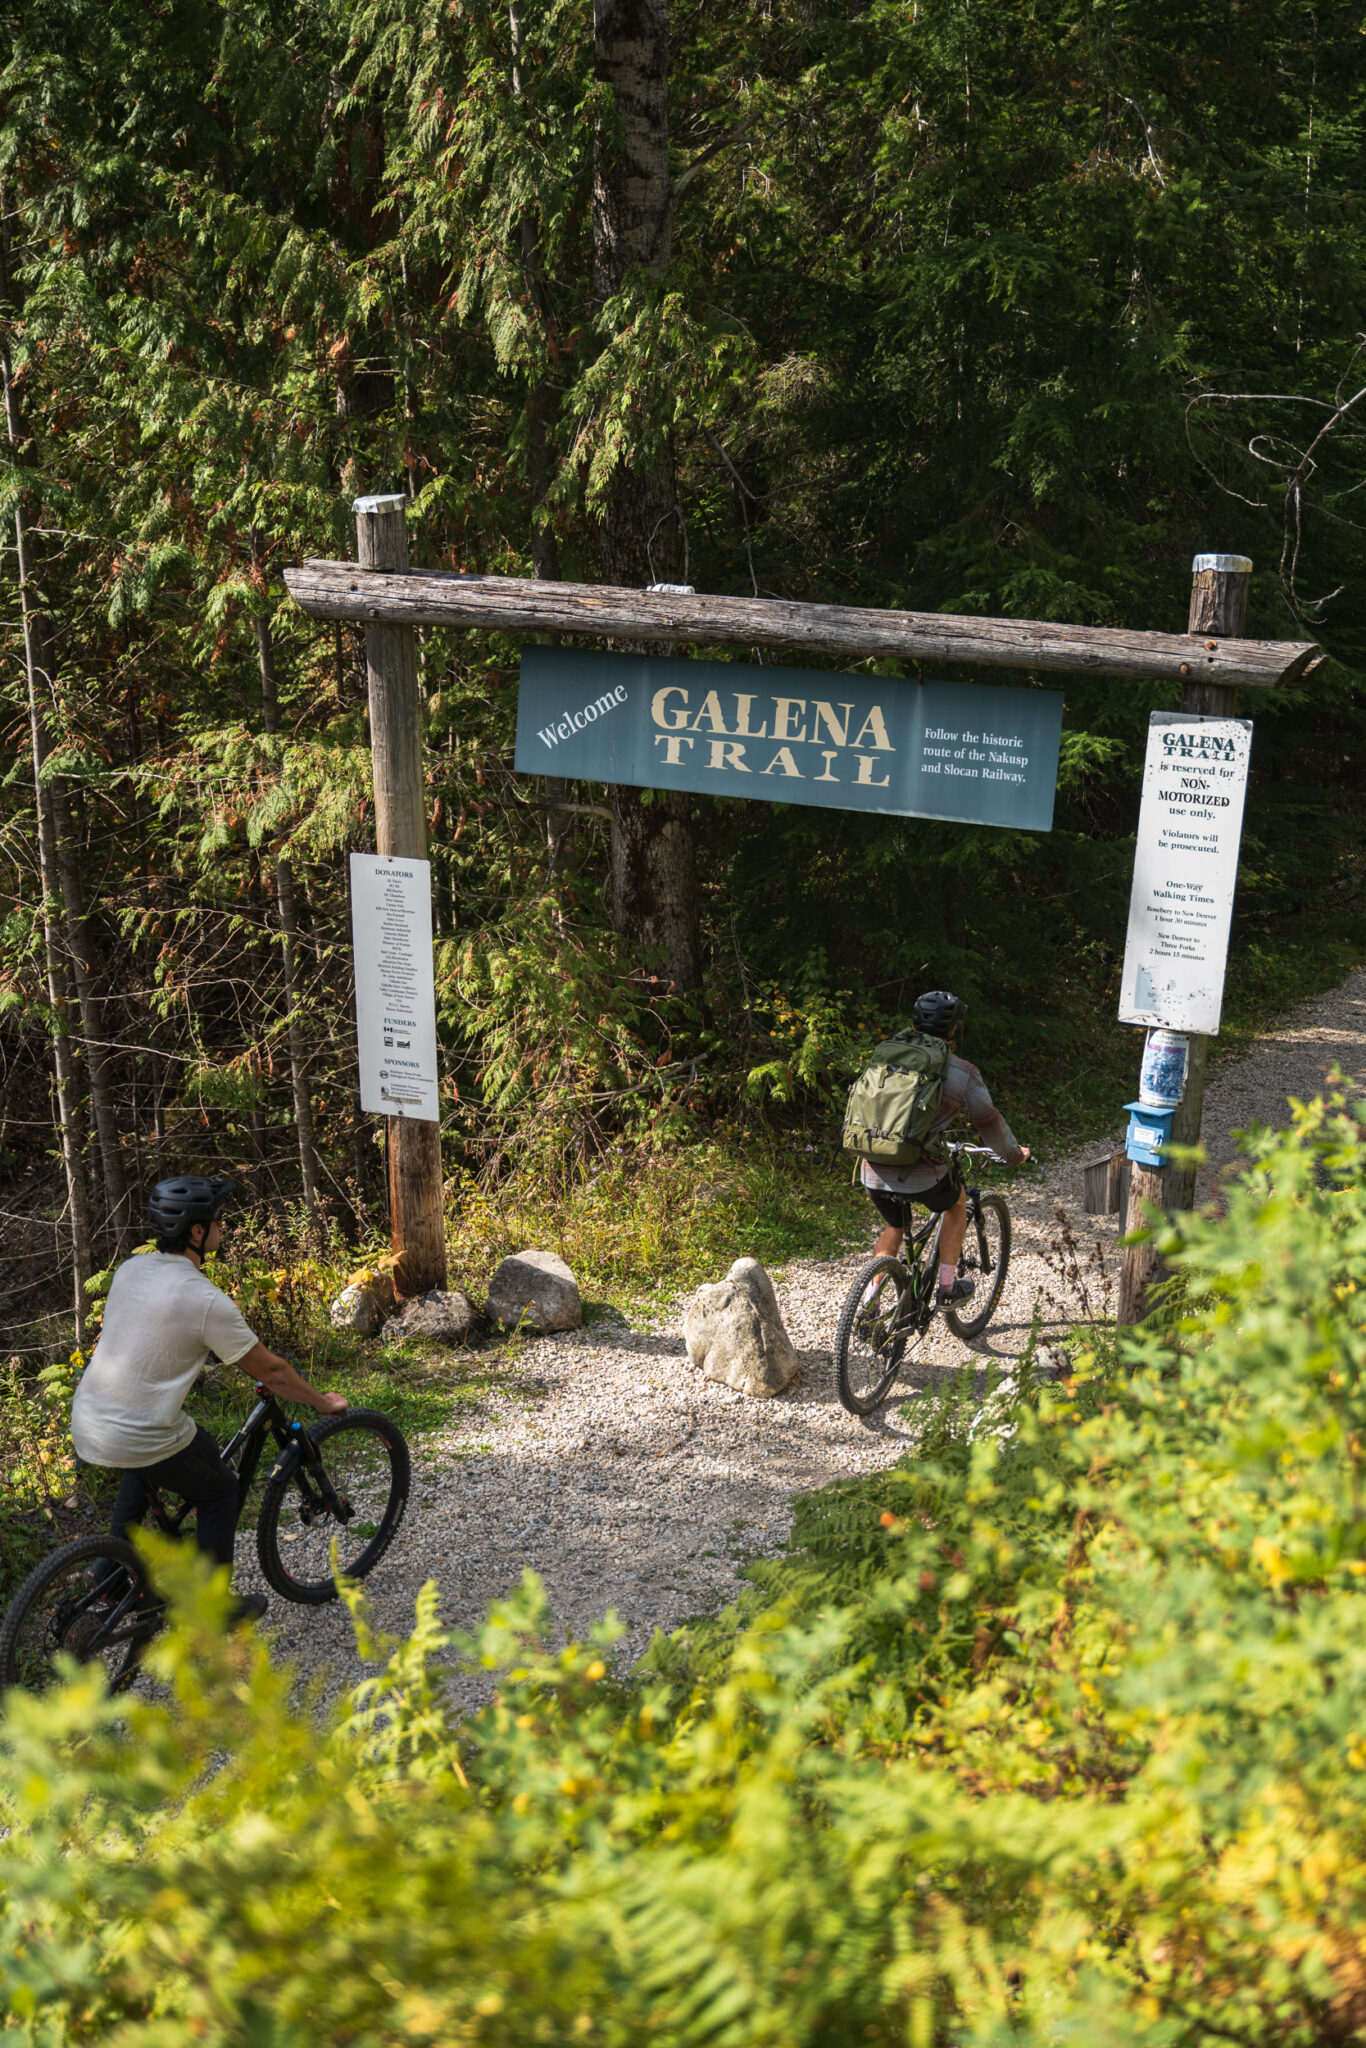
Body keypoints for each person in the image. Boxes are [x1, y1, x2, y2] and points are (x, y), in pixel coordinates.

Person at [71, 1176, 347, 1625]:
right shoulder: (206, 1301)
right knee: (220, 1489)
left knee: (156, 1455)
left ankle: (108, 1572)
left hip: (89, 1418)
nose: (224, 1227)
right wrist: (321, 1402)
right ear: (197, 1232)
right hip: (139, 1430)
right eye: (219, 1220)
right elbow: (273, 1373)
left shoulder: (130, 1269)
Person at [861, 991, 1030, 1305]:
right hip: (922, 1172)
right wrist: (1014, 1154)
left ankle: (870, 1301)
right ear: (954, 1029)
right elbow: (989, 1123)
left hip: (872, 1165)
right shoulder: (963, 1071)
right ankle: (948, 1289)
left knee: (895, 1224)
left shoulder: (886, 1054)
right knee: (956, 1203)